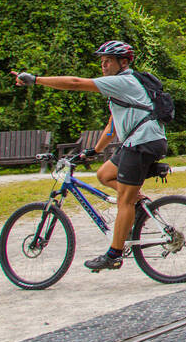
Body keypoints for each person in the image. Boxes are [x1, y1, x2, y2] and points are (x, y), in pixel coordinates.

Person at [11, 40, 169, 272]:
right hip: (139, 142)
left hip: (143, 143)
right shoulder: (122, 86)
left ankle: (114, 255)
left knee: (124, 200)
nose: (103, 65)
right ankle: (140, 203)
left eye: (108, 61)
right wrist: (93, 151)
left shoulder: (123, 80)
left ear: (123, 62)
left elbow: (75, 83)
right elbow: (112, 125)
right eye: (102, 62)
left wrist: (36, 80)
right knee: (104, 174)